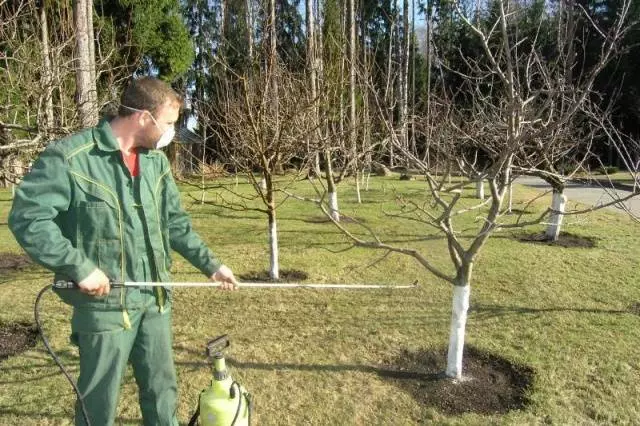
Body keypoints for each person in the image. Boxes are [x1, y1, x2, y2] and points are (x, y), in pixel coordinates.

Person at [8, 76, 237, 425]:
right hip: (104, 309)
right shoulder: (70, 159)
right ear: (144, 118)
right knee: (98, 405)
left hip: (155, 300)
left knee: (162, 393)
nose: (171, 132)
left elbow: (175, 225)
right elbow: (28, 219)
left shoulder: (157, 165)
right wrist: (78, 267)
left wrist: (212, 265)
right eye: (170, 123)